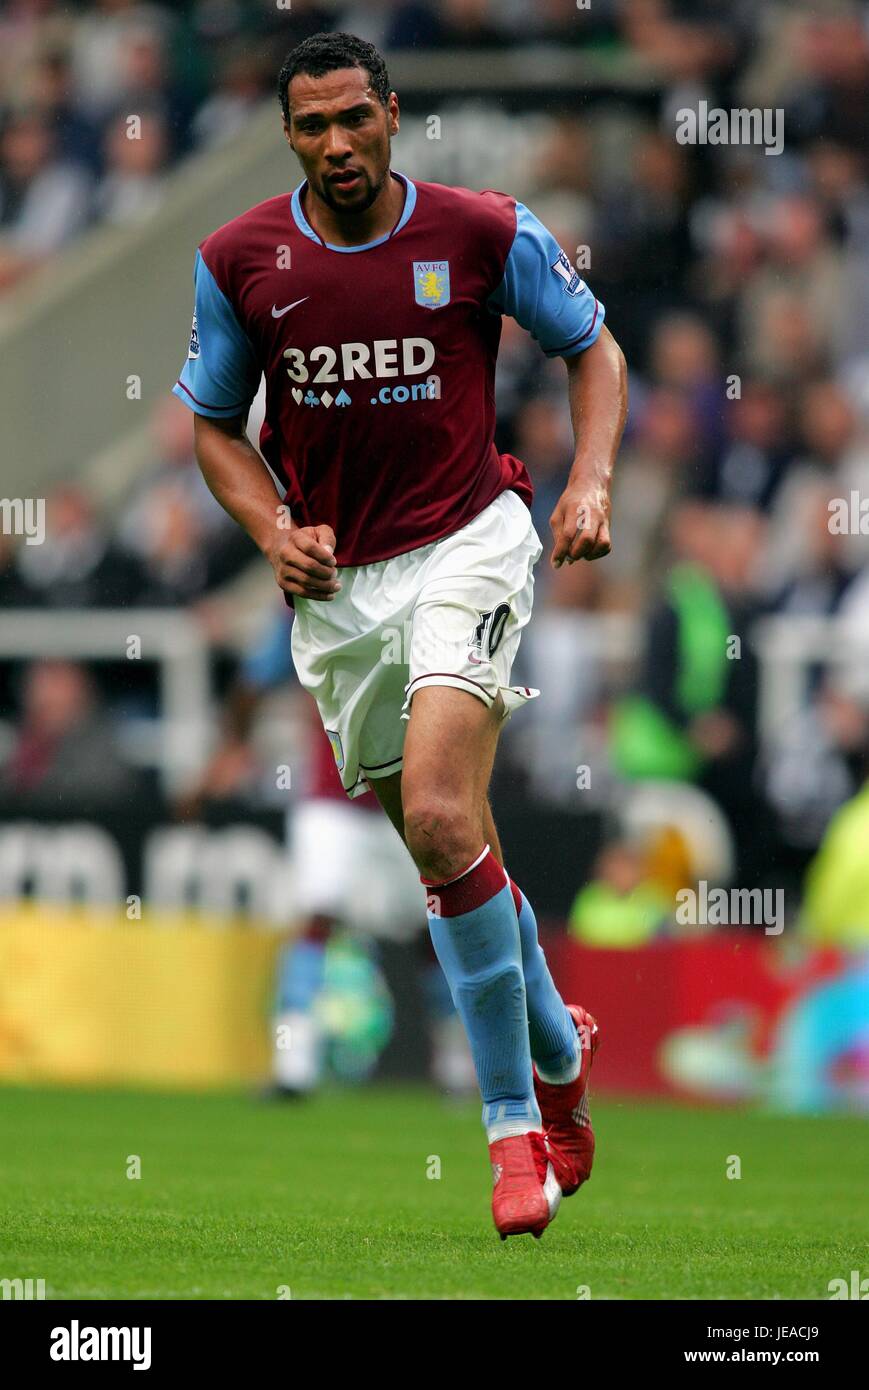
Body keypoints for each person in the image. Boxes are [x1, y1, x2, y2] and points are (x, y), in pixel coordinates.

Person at [172, 32, 627, 1239]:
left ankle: (508, 1132)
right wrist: (272, 527)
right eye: (310, 127)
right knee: (450, 848)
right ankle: (559, 1064)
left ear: (390, 112)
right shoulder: (240, 261)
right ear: (288, 137)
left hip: (469, 537)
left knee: (436, 814)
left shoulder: (479, 231)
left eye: (352, 120)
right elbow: (215, 427)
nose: (335, 145)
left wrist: (587, 484)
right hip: (338, 596)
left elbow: (593, 350)